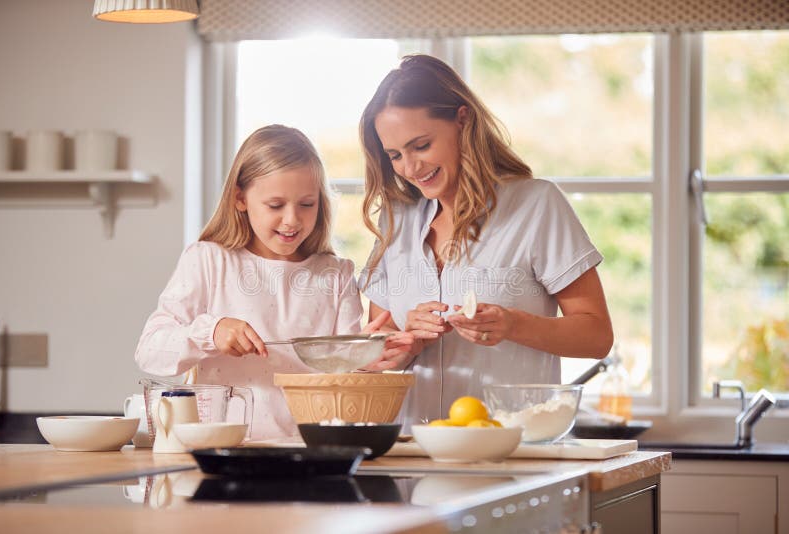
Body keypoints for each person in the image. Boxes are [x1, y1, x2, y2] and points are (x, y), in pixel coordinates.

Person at [358, 54, 614, 427]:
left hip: (510, 449)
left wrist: (511, 324)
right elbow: (376, 349)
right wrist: (404, 340)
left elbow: (596, 336)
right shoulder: (397, 219)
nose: (410, 168)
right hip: (411, 451)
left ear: (462, 120)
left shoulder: (536, 205)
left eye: (422, 145)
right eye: (395, 155)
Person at [135, 125, 399, 439]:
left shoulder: (335, 273)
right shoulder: (208, 261)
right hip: (223, 450)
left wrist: (369, 355)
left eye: (306, 204)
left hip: (309, 454)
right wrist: (212, 331)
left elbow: (346, 379)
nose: (292, 219)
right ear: (240, 198)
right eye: (275, 205)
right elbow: (150, 350)